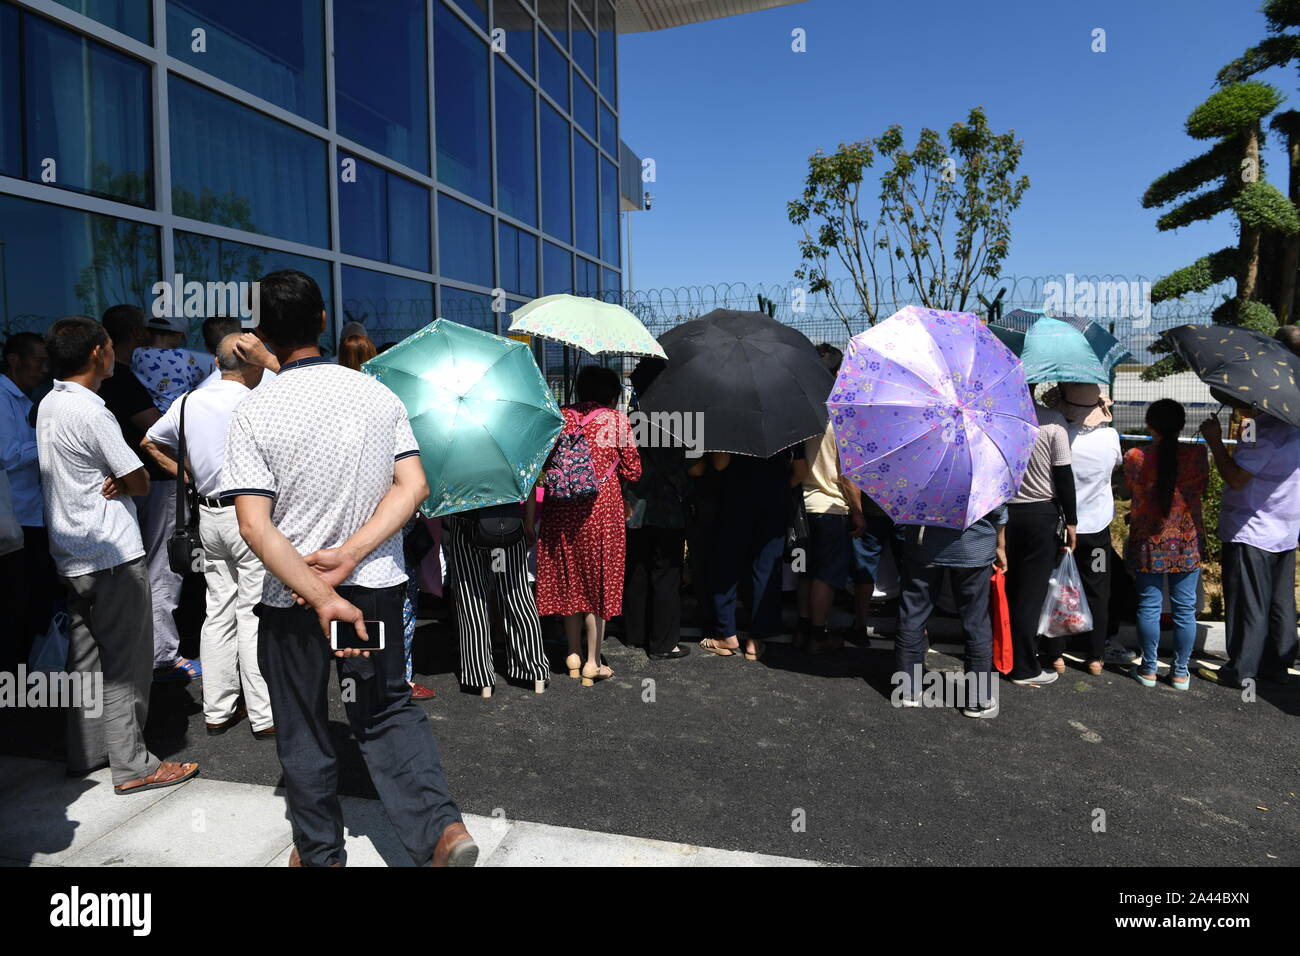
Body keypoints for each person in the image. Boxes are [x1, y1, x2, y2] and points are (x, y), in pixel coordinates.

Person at [219, 270, 474, 867]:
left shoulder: (254, 411)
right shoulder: (378, 395)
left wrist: (318, 591)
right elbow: (413, 485)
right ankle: (441, 830)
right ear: (325, 323)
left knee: (303, 722)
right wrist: (355, 552)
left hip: (293, 600)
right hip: (375, 589)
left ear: (259, 333)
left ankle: (319, 853)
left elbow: (255, 526)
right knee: (383, 707)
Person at [37, 316, 199, 792]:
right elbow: (140, 477)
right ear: (96, 354)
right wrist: (124, 479)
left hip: (70, 548)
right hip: (111, 550)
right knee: (127, 665)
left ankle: (86, 752)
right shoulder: (93, 410)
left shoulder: (48, 404)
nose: (117, 354)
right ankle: (134, 765)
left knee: (85, 661)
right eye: (111, 347)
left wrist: (118, 477)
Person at [140, 334, 275, 738]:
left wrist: (190, 477)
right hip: (250, 514)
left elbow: (150, 441)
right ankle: (264, 714)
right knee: (252, 612)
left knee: (219, 611)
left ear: (216, 365)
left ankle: (217, 710)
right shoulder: (260, 401)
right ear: (251, 364)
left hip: (209, 514)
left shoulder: (187, 402)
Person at [99, 305, 199, 681]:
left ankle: (136, 650)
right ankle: (162, 657)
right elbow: (157, 430)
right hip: (154, 483)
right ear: (138, 335)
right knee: (162, 568)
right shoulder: (122, 380)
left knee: (131, 570)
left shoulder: (113, 379)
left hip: (124, 485)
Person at [528, 364, 641, 686]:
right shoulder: (616, 421)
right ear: (613, 394)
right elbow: (634, 471)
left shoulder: (558, 417)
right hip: (600, 511)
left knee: (568, 579)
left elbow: (540, 464)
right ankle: (593, 661)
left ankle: (572, 653)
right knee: (598, 581)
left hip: (560, 510)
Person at [1198, 394, 1300, 688]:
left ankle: (1241, 670)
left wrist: (1215, 442)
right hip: (1285, 529)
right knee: (1280, 602)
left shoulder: (1267, 433)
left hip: (1253, 529)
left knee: (1248, 603)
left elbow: (1237, 478)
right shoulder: (1293, 428)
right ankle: (1276, 665)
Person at [1122, 400, 1208, 690]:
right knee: (1185, 609)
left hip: (1149, 540)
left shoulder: (1134, 456)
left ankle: (1148, 670)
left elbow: (1136, 494)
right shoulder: (1197, 454)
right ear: (1182, 425)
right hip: (1186, 542)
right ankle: (1180, 673)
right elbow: (1201, 491)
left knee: (1149, 606)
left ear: (1150, 424)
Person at [1045, 382, 1128, 675]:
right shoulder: (1110, 437)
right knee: (1097, 589)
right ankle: (1095, 656)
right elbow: (1115, 468)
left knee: (1060, 586)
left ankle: (1056, 654)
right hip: (1097, 529)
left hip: (1062, 526)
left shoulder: (1059, 435)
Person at [894, 506, 1008, 717]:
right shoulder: (986, 473)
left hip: (924, 543)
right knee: (976, 620)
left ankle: (906, 690)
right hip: (973, 546)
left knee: (913, 613)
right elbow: (999, 512)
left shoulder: (920, 472)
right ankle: (978, 699)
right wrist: (1000, 545)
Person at [699, 447, 801, 662]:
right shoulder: (787, 423)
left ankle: (727, 635)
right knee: (766, 571)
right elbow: (801, 471)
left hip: (733, 502)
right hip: (773, 504)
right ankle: (756, 641)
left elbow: (720, 464)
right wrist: (779, 488)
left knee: (726, 567)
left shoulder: (731, 420)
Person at [1004, 390, 1077, 686]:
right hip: (1040, 514)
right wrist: (1071, 521)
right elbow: (1063, 475)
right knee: (1030, 595)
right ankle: (1023, 666)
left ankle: (1001, 656)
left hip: (1002, 515)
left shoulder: (1000, 418)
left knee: (1005, 589)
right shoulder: (1053, 422)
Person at [623, 357, 693, 661]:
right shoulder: (684, 419)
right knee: (666, 573)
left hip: (635, 505)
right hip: (668, 506)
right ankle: (664, 643)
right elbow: (696, 465)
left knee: (636, 567)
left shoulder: (630, 419)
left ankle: (634, 633)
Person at [446, 503, 549, 695]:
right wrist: (528, 521)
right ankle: (534, 671)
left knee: (472, 598)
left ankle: (481, 677)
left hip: (466, 522)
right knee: (516, 593)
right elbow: (530, 480)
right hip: (506, 523)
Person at [0, 332, 56, 669]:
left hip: (34, 515)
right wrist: (49, 442)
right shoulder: (3, 397)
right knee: (15, 605)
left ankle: (26, 671)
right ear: (15, 360)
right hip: (15, 519)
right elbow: (6, 455)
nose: (44, 369)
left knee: (35, 602)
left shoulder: (24, 397)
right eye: (39, 360)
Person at [796, 419, 865, 655]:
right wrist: (857, 510)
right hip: (832, 508)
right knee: (825, 576)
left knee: (805, 572)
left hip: (802, 506)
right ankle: (817, 635)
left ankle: (802, 629)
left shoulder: (801, 419)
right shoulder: (842, 423)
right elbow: (848, 475)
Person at [130, 314, 204, 412]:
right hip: (182, 411)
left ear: (148, 332)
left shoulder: (138, 353)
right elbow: (198, 378)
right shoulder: (184, 355)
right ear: (178, 335)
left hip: (156, 411)